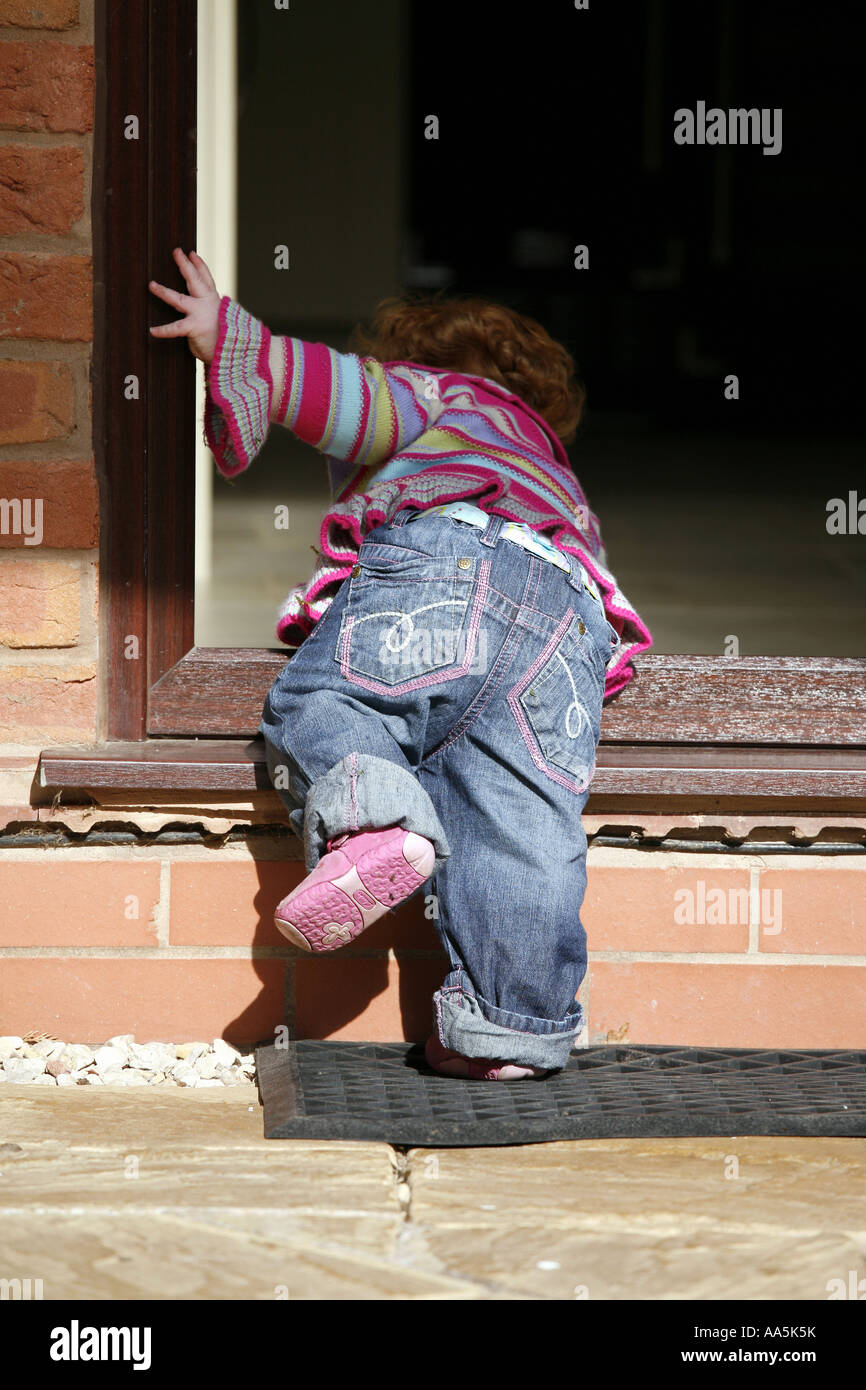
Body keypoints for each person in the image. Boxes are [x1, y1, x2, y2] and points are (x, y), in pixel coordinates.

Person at [149, 247, 652, 1081]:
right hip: (569, 614)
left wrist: (233, 340)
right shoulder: (554, 473)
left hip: (448, 556)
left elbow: (343, 396)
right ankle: (510, 1027)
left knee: (330, 698)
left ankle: (375, 820)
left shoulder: (443, 394)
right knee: (522, 822)